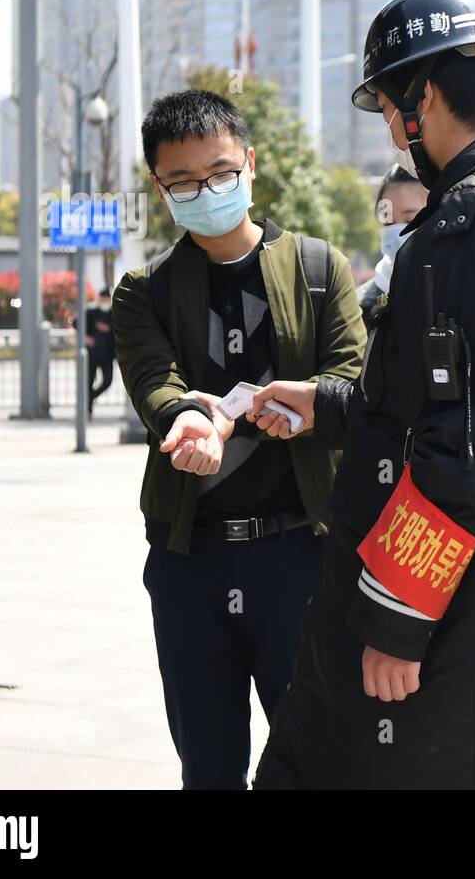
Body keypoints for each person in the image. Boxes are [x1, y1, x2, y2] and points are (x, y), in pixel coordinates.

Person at [246, 0, 475, 789]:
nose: (389, 131)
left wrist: (397, 618)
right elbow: (472, 398)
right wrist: (333, 403)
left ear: (425, 98)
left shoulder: (469, 229)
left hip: (453, 624)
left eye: (385, 110)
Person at [112, 88, 366, 788]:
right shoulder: (145, 290)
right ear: (160, 187)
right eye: (184, 181)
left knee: (315, 758)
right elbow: (153, 382)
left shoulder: (319, 269)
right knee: (209, 762)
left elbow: (352, 373)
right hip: (192, 560)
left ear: (250, 165)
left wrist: (316, 404)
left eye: (220, 171)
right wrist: (187, 420)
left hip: (301, 553)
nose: (206, 190)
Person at [356, 164, 428, 329]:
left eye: (411, 221)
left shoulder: (459, 292)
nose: (396, 232)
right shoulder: (361, 306)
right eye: (388, 222)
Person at [85, 287, 116, 417]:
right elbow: (77, 324)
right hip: (92, 354)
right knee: (89, 382)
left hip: (108, 355)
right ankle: (88, 410)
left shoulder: (114, 314)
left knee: (107, 381)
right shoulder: (91, 312)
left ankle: (89, 398)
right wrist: (86, 338)